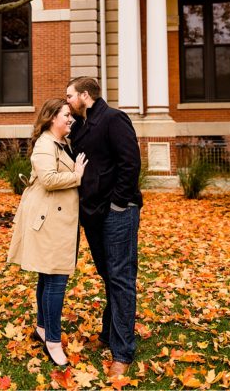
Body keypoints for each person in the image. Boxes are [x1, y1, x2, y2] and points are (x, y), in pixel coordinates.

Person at [66, 76, 142, 377]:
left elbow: (130, 162)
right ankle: (110, 333)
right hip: (93, 214)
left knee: (121, 277)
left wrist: (119, 203)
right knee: (109, 275)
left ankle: (123, 351)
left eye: (70, 95)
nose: (67, 100)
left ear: (86, 95)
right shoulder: (81, 128)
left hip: (117, 212)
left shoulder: (114, 118)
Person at [7, 98, 87, 366]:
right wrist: (77, 175)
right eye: (66, 115)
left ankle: (42, 327)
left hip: (56, 219)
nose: (70, 119)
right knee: (55, 280)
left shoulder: (62, 142)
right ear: (52, 117)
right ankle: (52, 341)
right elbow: (49, 179)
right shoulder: (44, 144)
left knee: (48, 276)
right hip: (49, 220)